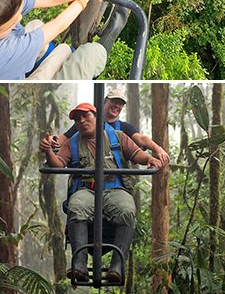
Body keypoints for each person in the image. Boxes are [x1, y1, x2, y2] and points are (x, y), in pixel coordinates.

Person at [39, 103, 164, 283]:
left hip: (113, 187)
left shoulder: (117, 137)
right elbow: (58, 163)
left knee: (127, 209)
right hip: (86, 189)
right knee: (76, 207)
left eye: (86, 116)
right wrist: (49, 152)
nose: (81, 121)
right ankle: (79, 264)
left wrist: (150, 158)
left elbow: (136, 153)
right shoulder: (72, 142)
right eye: (77, 119)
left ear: (96, 117)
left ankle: (117, 265)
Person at [0, 0, 110, 80]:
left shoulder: (5, 1)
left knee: (36, 24)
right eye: (13, 22)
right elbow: (59, 24)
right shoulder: (6, 52)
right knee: (68, 51)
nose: (20, 18)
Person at [59, 88, 171, 167]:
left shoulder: (123, 127)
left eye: (120, 104)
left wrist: (158, 149)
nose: (117, 106)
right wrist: (51, 143)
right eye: (114, 101)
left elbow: (141, 139)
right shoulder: (85, 125)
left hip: (114, 177)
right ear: (105, 102)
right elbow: (62, 139)